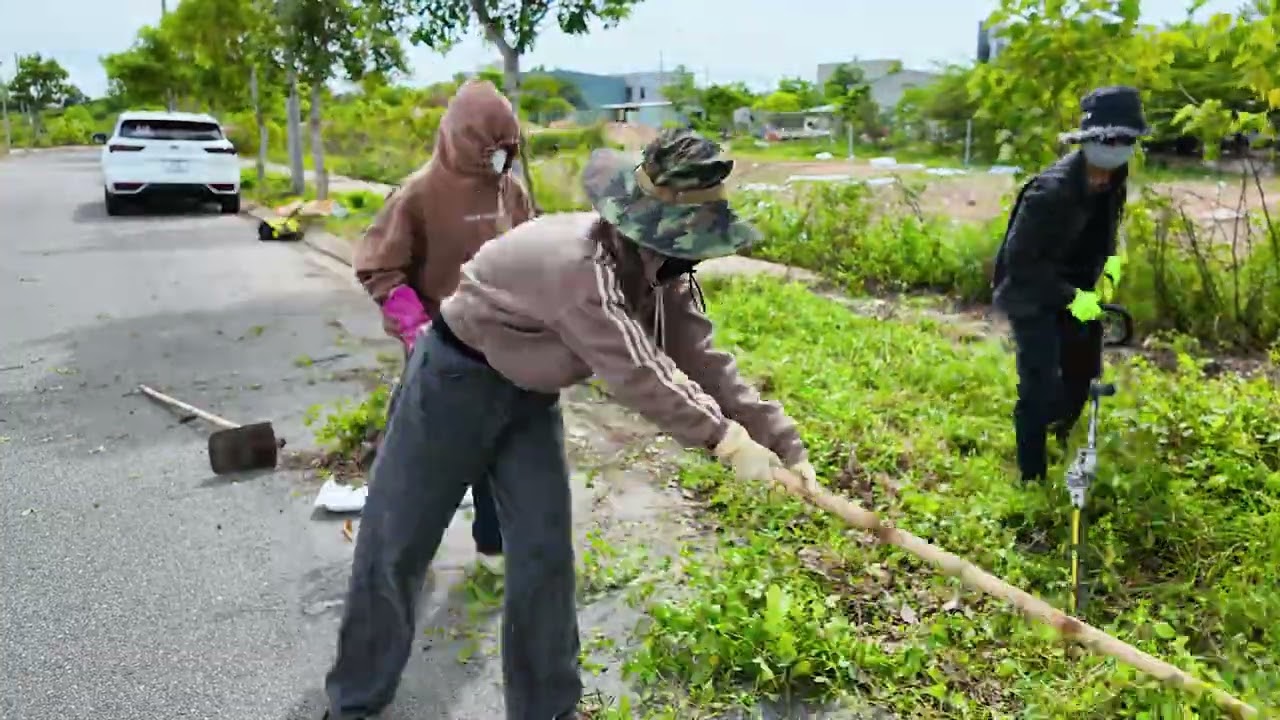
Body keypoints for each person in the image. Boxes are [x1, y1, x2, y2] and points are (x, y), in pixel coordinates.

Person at [322, 128, 819, 720]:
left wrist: (783, 442)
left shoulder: (663, 272)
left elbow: (704, 361)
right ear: (644, 220)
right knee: (396, 541)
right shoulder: (577, 266)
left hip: (530, 397)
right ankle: (353, 704)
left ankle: (547, 709)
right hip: (454, 380)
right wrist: (725, 440)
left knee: (544, 554)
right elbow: (638, 371)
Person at [351, 78, 534, 571]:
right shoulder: (417, 194)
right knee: (419, 455)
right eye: (488, 146)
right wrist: (416, 327)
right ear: (459, 138)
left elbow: (529, 254)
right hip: (440, 348)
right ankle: (396, 548)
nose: (497, 157)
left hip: (500, 348)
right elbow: (378, 268)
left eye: (506, 146)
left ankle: (493, 551)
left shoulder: (510, 191)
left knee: (498, 453)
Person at [990, 85, 1148, 483]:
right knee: (1039, 383)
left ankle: (1058, 433)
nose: (1118, 147)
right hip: (1031, 292)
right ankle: (1031, 475)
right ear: (1089, 140)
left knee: (1082, 375)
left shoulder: (1115, 178)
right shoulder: (1049, 191)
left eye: (1127, 140)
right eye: (1109, 139)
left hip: (1078, 288)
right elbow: (1020, 261)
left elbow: (1107, 233)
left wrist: (1108, 275)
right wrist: (1071, 298)